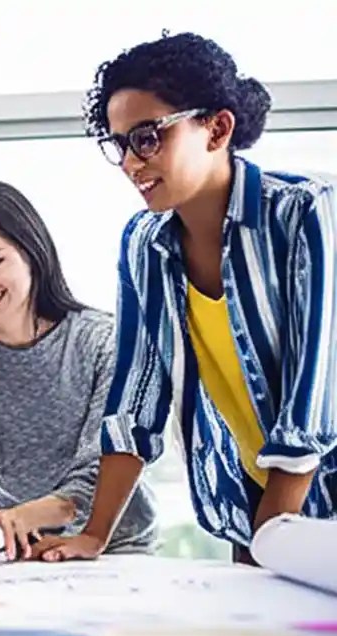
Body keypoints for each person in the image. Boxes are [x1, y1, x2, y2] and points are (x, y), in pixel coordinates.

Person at [36, 32, 337, 564]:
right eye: (119, 144)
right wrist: (94, 535)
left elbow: (313, 406)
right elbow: (135, 401)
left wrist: (271, 545)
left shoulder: (306, 214)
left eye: (148, 137)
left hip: (310, 513)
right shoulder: (144, 245)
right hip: (257, 509)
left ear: (217, 128)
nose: (131, 163)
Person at [0, 181, 158, 560]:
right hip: (25, 549)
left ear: (32, 253)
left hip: (115, 548)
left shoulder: (102, 341)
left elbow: (96, 471)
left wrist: (27, 514)